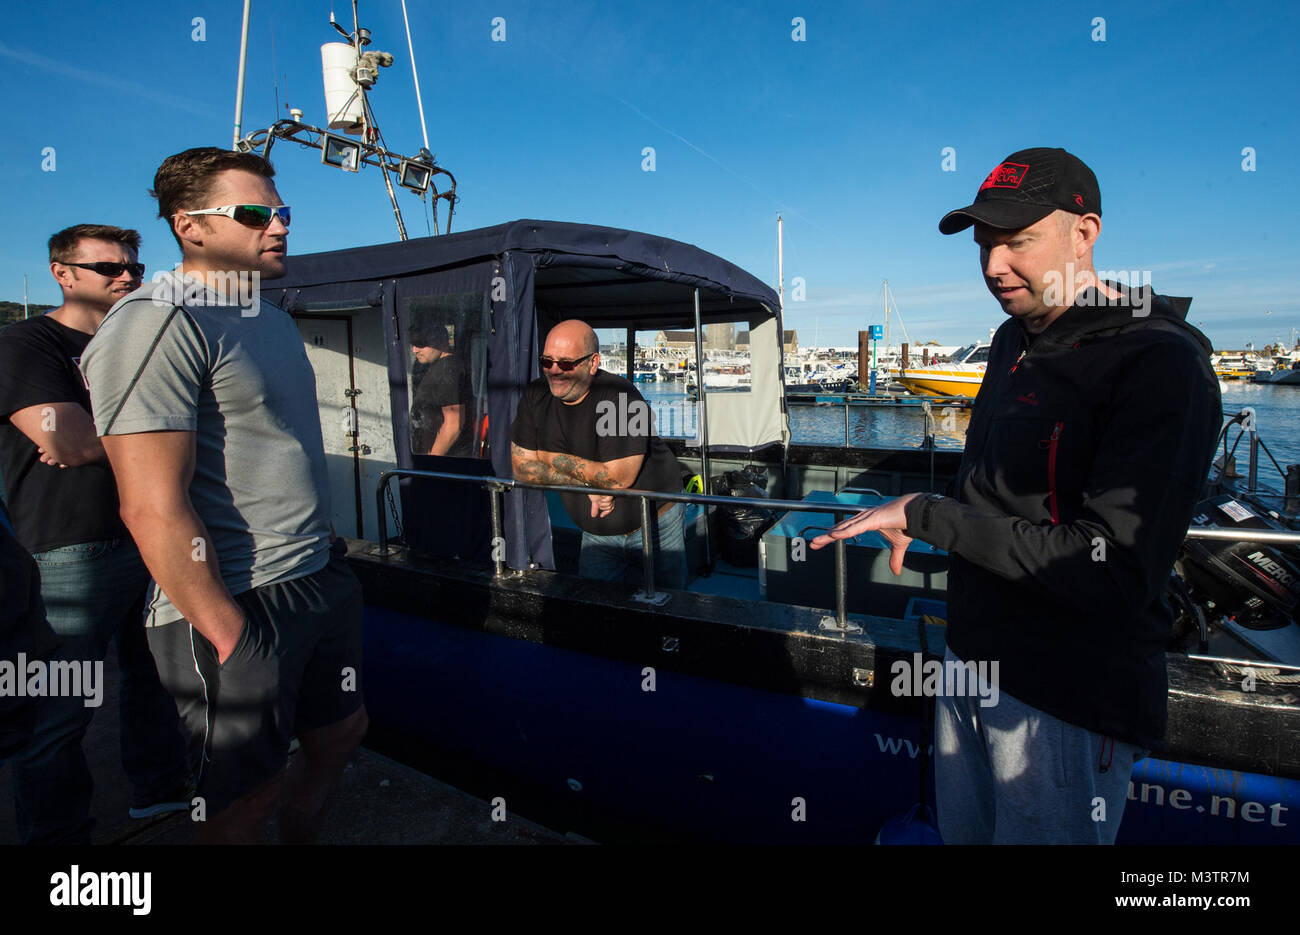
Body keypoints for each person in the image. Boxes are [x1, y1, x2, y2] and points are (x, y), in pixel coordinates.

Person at [812, 148, 1221, 844]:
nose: (994, 264)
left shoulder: (1160, 363)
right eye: (984, 243)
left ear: (1085, 233)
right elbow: (988, 487)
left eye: (1017, 240)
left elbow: (1111, 571)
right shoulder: (1010, 341)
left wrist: (930, 516)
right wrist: (942, 522)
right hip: (968, 662)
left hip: (1059, 703)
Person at [80, 148, 368, 844]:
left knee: (340, 736)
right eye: (255, 214)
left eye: (282, 212)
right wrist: (228, 635)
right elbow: (149, 502)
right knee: (244, 793)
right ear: (191, 227)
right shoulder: (156, 321)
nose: (278, 226)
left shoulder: (267, 316)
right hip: (236, 596)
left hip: (315, 577)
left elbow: (277, 445)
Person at [0, 224, 191, 844]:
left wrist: (103, 440)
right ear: (63, 272)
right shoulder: (23, 343)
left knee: (159, 682)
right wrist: (149, 438)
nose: (127, 278)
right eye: (109, 267)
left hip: (154, 533)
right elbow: (69, 441)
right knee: (59, 710)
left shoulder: (139, 346)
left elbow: (97, 441)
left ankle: (158, 794)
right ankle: (57, 841)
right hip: (68, 553)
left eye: (134, 268)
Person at [510, 319, 687, 590]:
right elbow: (521, 468)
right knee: (596, 608)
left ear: (592, 363)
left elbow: (616, 479)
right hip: (596, 531)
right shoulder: (536, 396)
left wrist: (544, 456)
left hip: (655, 523)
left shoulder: (621, 395)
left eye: (566, 363)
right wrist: (584, 484)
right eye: (547, 362)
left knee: (668, 605)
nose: (554, 371)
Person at [409, 322, 472, 456]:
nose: (414, 350)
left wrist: (431, 462)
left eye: (421, 344)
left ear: (440, 342)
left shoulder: (449, 369)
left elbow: (454, 425)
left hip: (445, 460)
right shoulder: (435, 366)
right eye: (413, 344)